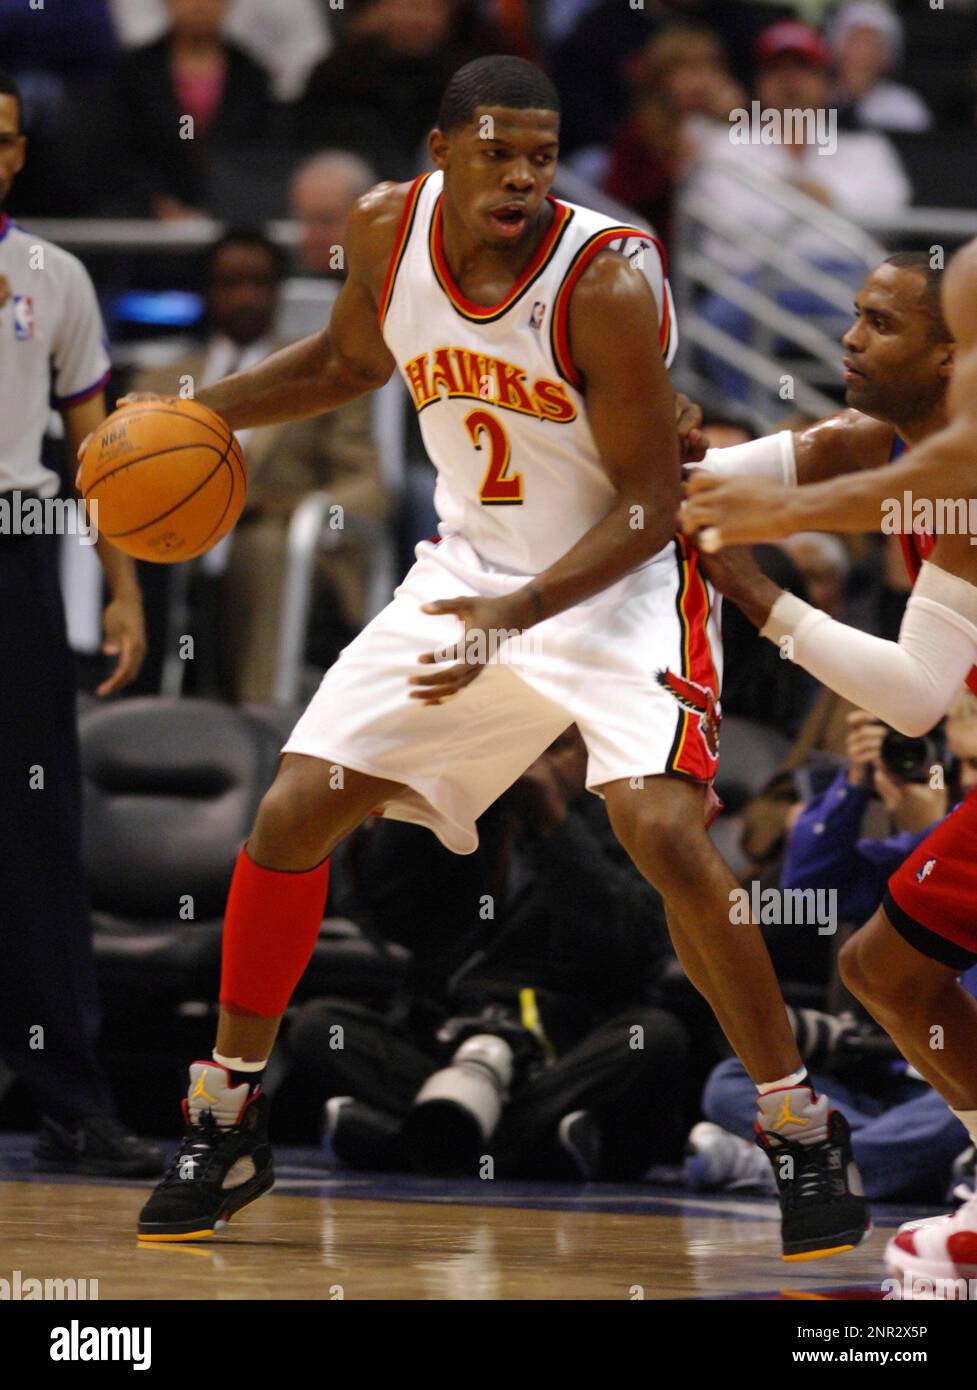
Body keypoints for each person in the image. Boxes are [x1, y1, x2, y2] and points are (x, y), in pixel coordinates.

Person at [128, 55, 867, 1260]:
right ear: (440, 151)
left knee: (662, 831)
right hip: (469, 571)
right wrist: (209, 414)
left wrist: (514, 618)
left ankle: (797, 1125)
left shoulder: (605, 280)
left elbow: (641, 505)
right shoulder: (384, 227)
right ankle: (227, 1111)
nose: (522, 175)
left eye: (540, 152)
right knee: (293, 813)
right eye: (497, 152)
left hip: (617, 582)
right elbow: (347, 365)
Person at [680, 234, 977, 1285]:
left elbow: (910, 690)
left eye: (879, 323)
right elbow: (696, 476)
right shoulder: (882, 442)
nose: (846, 338)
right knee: (878, 967)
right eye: (852, 314)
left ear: (950, 356)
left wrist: (749, 590)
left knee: (882, 966)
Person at [0, 71, 162, 1177]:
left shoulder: (53, 276)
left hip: (14, 552)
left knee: (36, 841)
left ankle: (70, 1097)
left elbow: (96, 447)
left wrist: (124, 583)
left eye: (8, 139)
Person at [130, 229, 387, 702]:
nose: (245, 296)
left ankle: (261, 712)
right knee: (120, 534)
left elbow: (368, 485)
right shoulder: (162, 379)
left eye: (259, 283)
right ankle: (131, 699)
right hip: (180, 532)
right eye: (230, 283)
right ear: (209, 292)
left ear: (277, 291)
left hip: (280, 537)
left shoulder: (323, 372)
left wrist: (296, 510)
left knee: (265, 549)